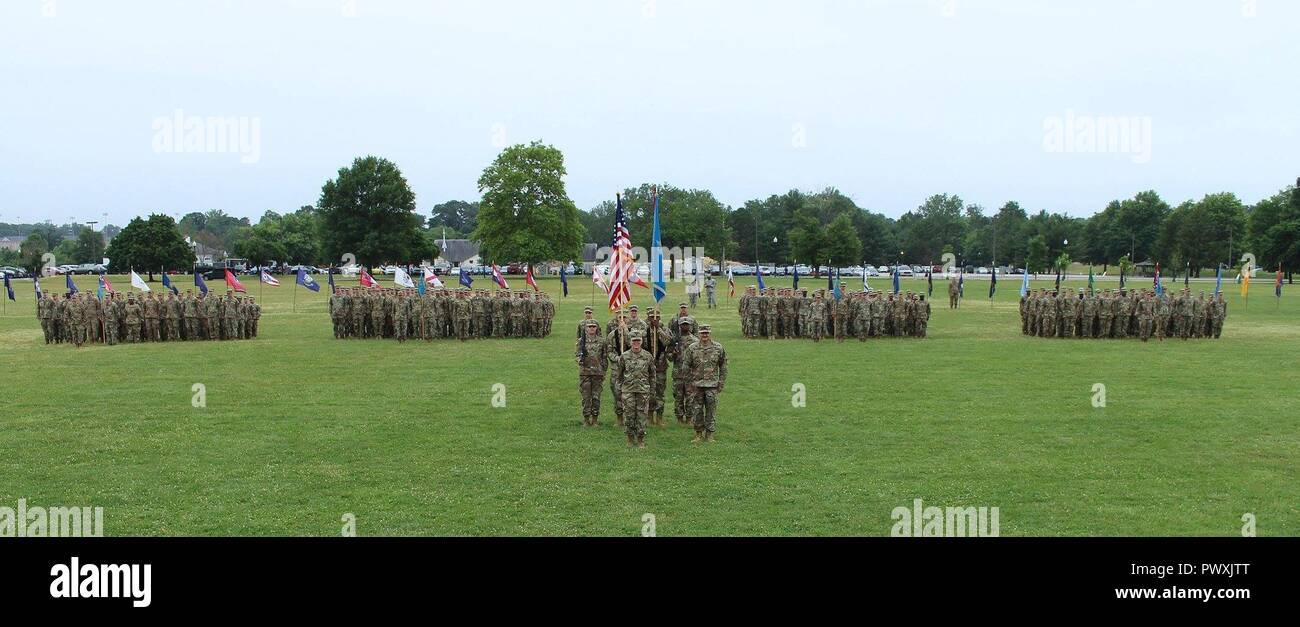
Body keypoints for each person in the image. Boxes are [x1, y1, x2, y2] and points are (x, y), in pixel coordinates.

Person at [683, 324, 727, 443]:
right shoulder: (692, 348)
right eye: (702, 333)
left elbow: (723, 366)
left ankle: (710, 434)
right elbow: (686, 365)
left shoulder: (718, 347)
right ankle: (698, 434)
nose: (705, 335)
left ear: (710, 333)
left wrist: (721, 382)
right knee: (697, 410)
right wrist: (688, 383)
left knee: (711, 410)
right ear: (699, 334)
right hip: (696, 385)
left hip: (712, 385)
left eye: (706, 333)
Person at [613, 330, 653, 448]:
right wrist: (619, 390)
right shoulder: (624, 357)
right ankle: (630, 438)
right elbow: (619, 375)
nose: (636, 343)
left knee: (641, 415)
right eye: (634, 341)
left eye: (638, 341)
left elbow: (652, 374)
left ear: (641, 341)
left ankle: (641, 439)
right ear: (630, 342)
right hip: (628, 390)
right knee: (629, 415)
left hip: (643, 391)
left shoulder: (647, 356)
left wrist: (652, 389)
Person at [575, 320, 610, 427]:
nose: (591, 328)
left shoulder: (602, 341)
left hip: (597, 373)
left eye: (594, 326)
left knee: (596, 397)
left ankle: (595, 419)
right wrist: (580, 359)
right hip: (585, 373)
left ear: (597, 328)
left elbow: (604, 358)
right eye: (589, 326)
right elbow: (576, 355)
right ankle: (586, 419)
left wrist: (603, 371)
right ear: (586, 328)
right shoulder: (581, 341)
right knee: (586, 397)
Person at [670, 319, 698, 425]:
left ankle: (690, 418)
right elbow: (669, 358)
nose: (685, 327)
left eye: (687, 325)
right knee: (678, 397)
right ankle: (679, 418)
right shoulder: (675, 340)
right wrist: (673, 354)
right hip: (678, 374)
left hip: (691, 374)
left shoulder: (695, 341)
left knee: (690, 397)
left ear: (690, 326)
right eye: (682, 325)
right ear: (679, 326)